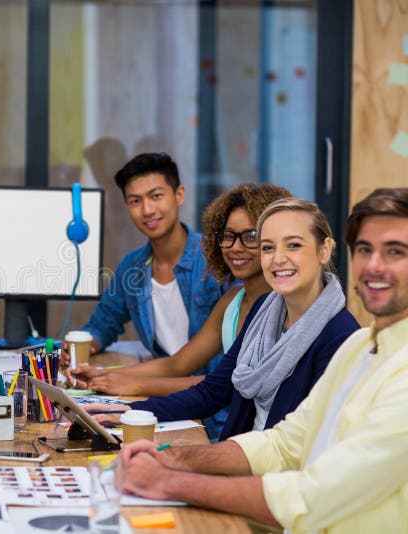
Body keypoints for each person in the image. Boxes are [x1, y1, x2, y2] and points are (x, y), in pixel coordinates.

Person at [118, 188, 408, 532]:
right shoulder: (360, 346)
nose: (374, 265)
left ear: (324, 250)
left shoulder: (351, 340)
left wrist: (166, 482)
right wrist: (168, 459)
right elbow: (281, 444)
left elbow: (309, 496)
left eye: (395, 252)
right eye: (364, 249)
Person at [89, 198, 359, 440]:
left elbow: (298, 444)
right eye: (268, 247)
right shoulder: (265, 309)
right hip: (240, 456)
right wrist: (128, 411)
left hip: (273, 478)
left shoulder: (342, 337)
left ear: (325, 250)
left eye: (294, 245)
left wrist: (195, 461)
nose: (278, 259)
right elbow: (213, 391)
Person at [71, 184, 291, 397]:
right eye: (227, 236)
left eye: (250, 237)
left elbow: (226, 385)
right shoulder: (232, 301)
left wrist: (134, 385)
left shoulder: (286, 308)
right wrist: (101, 375)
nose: (235, 247)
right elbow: (178, 364)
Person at [62, 152, 226, 435]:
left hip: (216, 405)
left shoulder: (216, 258)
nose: (147, 210)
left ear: (179, 195)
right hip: (164, 397)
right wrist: (86, 345)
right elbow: (104, 322)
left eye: (156, 196)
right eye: (135, 201)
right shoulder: (132, 266)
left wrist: (116, 378)